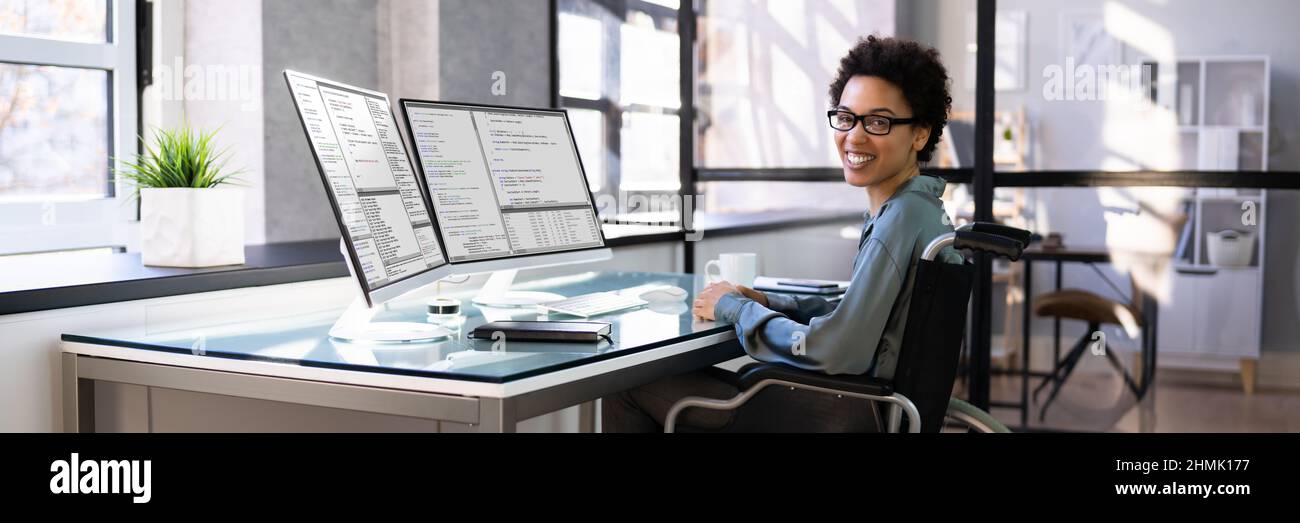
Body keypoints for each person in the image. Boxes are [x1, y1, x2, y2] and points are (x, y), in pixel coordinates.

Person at [602, 35, 963, 433]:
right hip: (871, 409)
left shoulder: (899, 219)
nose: (855, 136)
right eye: (846, 118)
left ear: (919, 134)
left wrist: (735, 309)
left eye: (878, 122)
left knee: (626, 385)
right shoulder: (923, 212)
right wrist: (765, 300)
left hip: (839, 413)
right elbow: (861, 317)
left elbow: (839, 349)